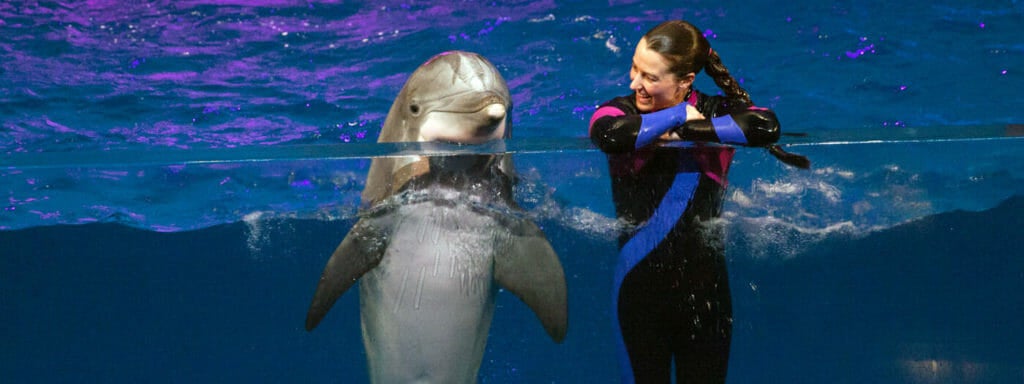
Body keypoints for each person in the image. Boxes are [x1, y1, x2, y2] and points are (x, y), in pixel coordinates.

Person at [589, 20, 801, 383]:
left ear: (685, 80)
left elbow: (765, 126)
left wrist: (689, 128)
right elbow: (608, 135)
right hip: (638, 292)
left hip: (706, 295)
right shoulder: (621, 110)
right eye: (635, 69)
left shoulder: (714, 110)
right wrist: (675, 115)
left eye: (650, 77)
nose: (634, 83)